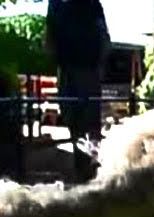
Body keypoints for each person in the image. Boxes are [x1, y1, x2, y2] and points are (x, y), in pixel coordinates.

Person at [45, 0, 111, 177]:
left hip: (84, 67)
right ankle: (83, 165)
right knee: (74, 117)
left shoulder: (90, 4)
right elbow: (50, 35)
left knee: (86, 119)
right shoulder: (57, 4)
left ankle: (89, 166)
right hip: (71, 67)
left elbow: (103, 34)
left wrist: (99, 66)